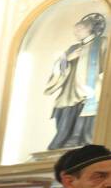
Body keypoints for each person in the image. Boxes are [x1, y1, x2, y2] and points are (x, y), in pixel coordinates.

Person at [45, 12, 106, 150]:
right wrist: (67, 59)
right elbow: (58, 68)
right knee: (64, 120)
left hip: (90, 91)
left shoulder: (102, 42)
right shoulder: (73, 48)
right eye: (75, 31)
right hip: (70, 91)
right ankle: (63, 143)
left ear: (88, 29)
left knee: (86, 121)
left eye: (78, 30)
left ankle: (80, 142)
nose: (76, 34)